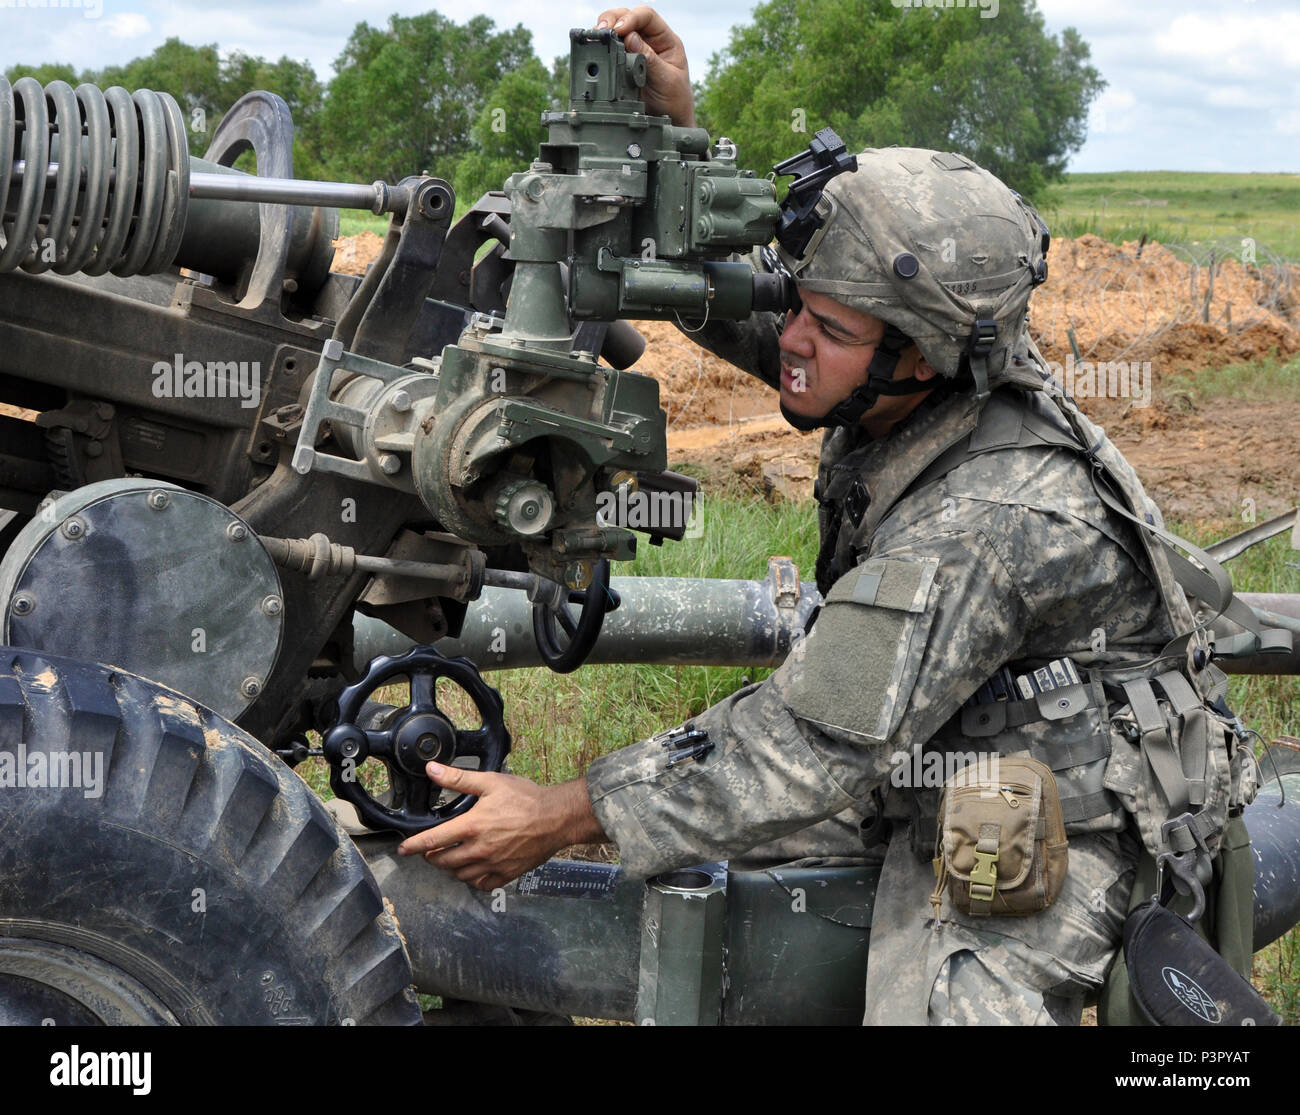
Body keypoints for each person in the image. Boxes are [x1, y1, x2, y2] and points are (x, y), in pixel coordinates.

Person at [398, 6, 1251, 1025]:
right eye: (799, 301)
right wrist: (674, 136)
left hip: (1058, 802)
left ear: (920, 354)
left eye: (827, 325)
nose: (789, 334)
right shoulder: (905, 367)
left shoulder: (988, 518)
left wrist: (556, 812)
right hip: (917, 741)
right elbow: (753, 305)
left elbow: (803, 744)